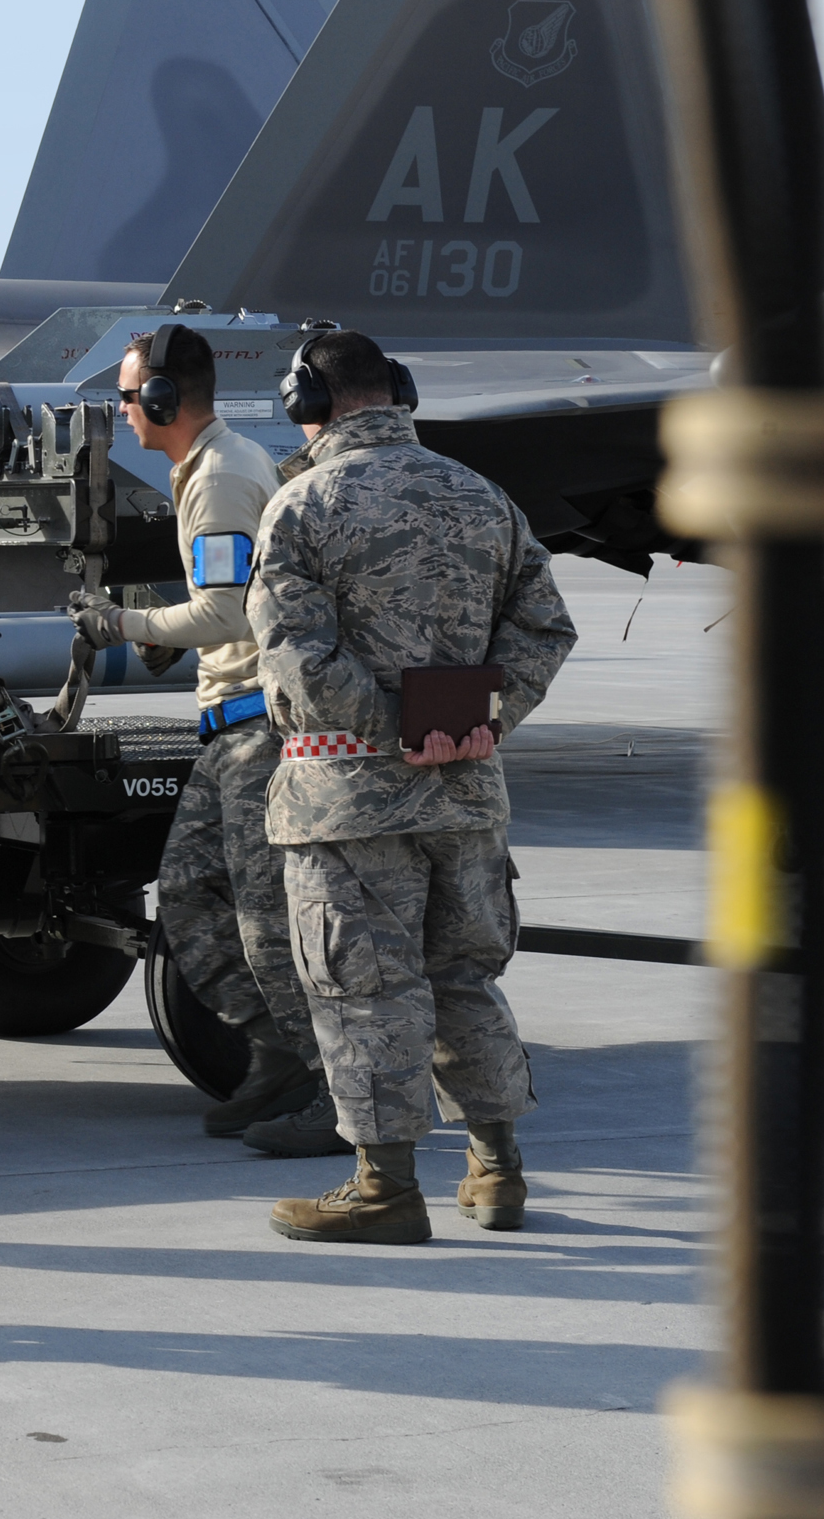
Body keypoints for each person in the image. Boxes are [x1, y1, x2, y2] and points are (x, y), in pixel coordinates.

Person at [249, 328, 575, 1245]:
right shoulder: (484, 497)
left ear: (304, 398)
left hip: (348, 799)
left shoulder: (302, 505)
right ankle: (498, 1171)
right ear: (398, 392)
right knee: (465, 979)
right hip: (467, 792)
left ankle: (385, 1189)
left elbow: (300, 656)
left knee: (366, 991)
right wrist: (472, 721)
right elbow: (544, 630)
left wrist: (392, 729)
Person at [70, 324, 337, 1155]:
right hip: (234, 728)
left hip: (256, 726)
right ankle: (273, 1055)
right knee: (188, 898)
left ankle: (321, 1084)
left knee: (258, 919)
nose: (121, 412)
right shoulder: (215, 467)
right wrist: (161, 627)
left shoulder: (218, 478)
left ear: (161, 398)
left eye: (125, 396)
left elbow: (226, 613)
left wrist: (120, 621)